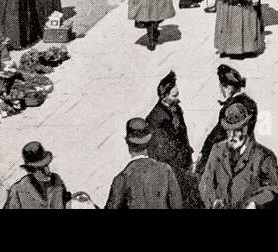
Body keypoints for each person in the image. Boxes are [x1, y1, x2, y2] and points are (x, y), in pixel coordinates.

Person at [196, 100, 278, 209]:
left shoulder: (263, 156)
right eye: (228, 131)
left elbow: (276, 190)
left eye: (236, 130)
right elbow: (206, 182)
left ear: (246, 129)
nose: (232, 136)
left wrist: (255, 203)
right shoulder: (218, 150)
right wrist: (213, 201)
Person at [146, 71, 200, 209]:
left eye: (178, 94)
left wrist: (189, 153)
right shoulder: (155, 118)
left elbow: (183, 136)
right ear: (164, 97)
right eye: (174, 95)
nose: (178, 98)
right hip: (170, 169)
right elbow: (161, 151)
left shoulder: (176, 109)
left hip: (183, 164)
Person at [106, 118, 184, 209]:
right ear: (148, 142)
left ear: (128, 144)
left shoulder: (123, 177)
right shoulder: (166, 170)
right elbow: (177, 205)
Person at [199, 65, 259, 175]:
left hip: (231, 154)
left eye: (222, 87)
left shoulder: (229, 108)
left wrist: (203, 153)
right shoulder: (251, 103)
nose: (221, 91)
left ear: (228, 88)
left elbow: (218, 135)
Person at [4, 142, 77, 208]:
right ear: (31, 170)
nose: (47, 171)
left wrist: (72, 198)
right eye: (41, 169)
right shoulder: (18, 190)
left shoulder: (57, 182)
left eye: (47, 165)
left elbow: (65, 201)